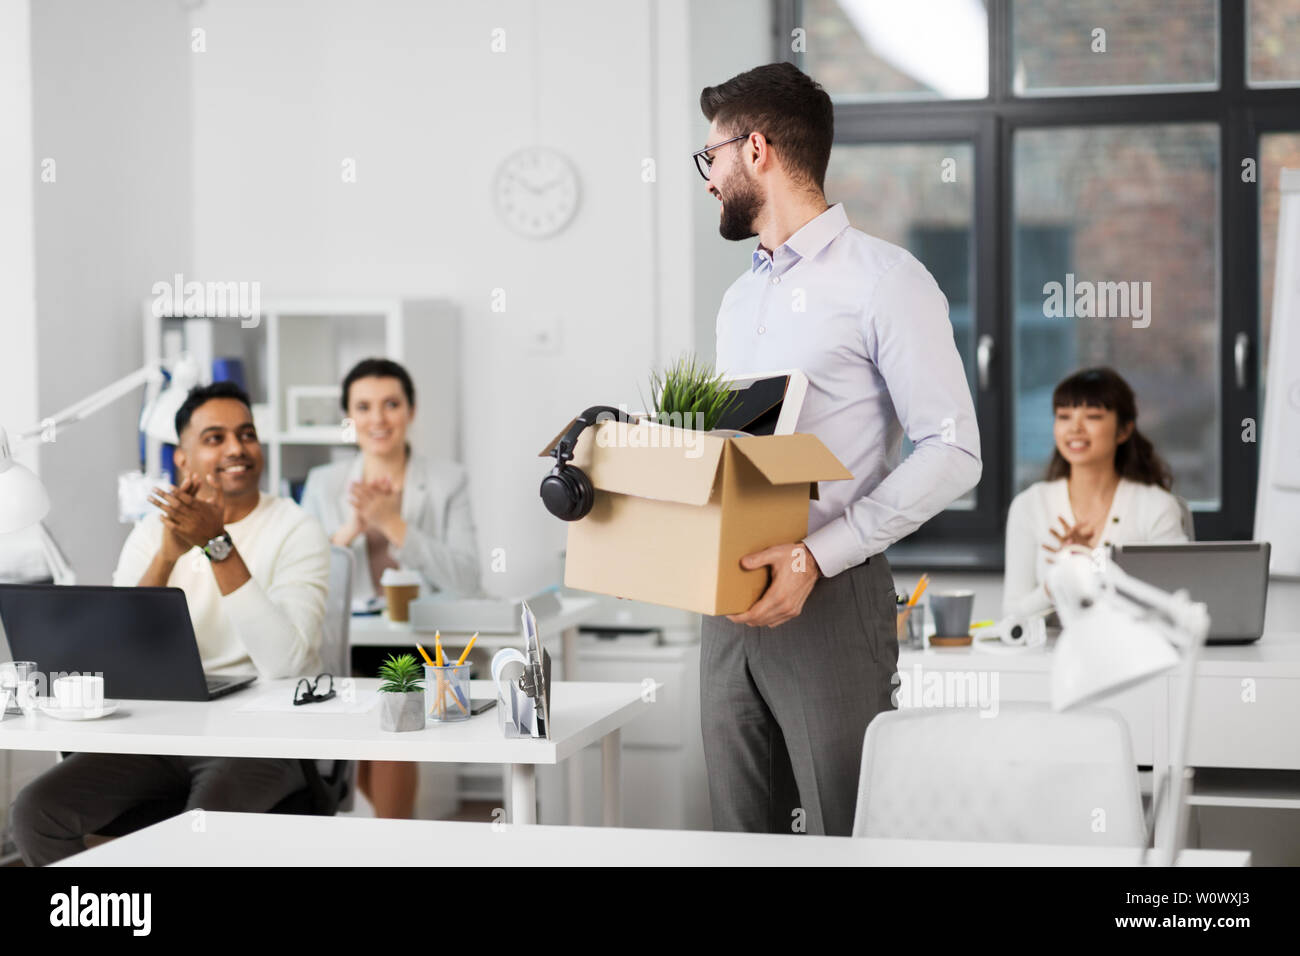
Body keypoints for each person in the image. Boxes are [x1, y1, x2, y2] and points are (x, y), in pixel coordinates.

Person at [695, 62, 982, 836]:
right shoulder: (739, 299)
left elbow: (954, 450)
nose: (709, 178)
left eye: (711, 157)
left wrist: (816, 557)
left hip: (831, 594)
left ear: (756, 149)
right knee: (740, 836)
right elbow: (744, 452)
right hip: (726, 603)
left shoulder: (887, 281)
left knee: (844, 831)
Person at [12, 382, 331, 866]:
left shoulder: (296, 527)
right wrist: (166, 556)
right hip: (159, 733)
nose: (237, 448)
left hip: (260, 738)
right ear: (183, 459)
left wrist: (217, 545)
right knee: (36, 812)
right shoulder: (151, 531)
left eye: (246, 434)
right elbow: (117, 650)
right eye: (215, 438)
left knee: (199, 831)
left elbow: (284, 664)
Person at [300, 358, 481, 818]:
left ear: (411, 411)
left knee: (390, 714)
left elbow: (466, 578)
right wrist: (350, 530)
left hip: (419, 642)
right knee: (367, 734)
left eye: (391, 404)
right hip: (349, 645)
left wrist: (395, 524)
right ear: (349, 416)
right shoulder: (324, 483)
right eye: (363, 407)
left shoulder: (447, 481)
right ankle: (392, 832)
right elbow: (302, 577)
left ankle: (394, 833)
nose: (378, 418)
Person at [1003, 367, 1189, 620]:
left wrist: (1093, 566)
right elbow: (1012, 616)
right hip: (1054, 645)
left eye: (1092, 416)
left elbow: (1176, 611)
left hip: (1135, 644)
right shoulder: (1029, 505)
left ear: (1124, 430)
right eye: (1064, 416)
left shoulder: (1157, 506)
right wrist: (1058, 580)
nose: (1075, 428)